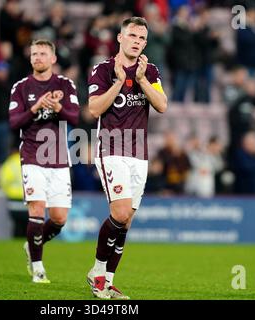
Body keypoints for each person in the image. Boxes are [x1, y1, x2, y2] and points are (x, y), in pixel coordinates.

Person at [87, 17, 167, 299]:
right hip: (111, 148)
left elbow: (161, 105)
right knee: (119, 214)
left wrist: (142, 80)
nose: (137, 41)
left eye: (142, 38)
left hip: (138, 153)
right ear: (119, 38)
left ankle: (107, 281)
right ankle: (97, 272)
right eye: (132, 35)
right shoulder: (103, 69)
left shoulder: (151, 71)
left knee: (126, 222)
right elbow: (95, 109)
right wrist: (119, 83)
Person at [8, 39, 79, 283]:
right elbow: (14, 123)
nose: (37, 57)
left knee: (59, 218)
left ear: (53, 59)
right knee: (37, 209)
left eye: (42, 53)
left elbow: (76, 117)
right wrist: (35, 108)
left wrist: (58, 106)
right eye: (34, 53)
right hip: (32, 155)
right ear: (30, 59)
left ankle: (32, 245)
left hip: (58, 158)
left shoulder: (65, 84)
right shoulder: (20, 87)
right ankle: (38, 267)